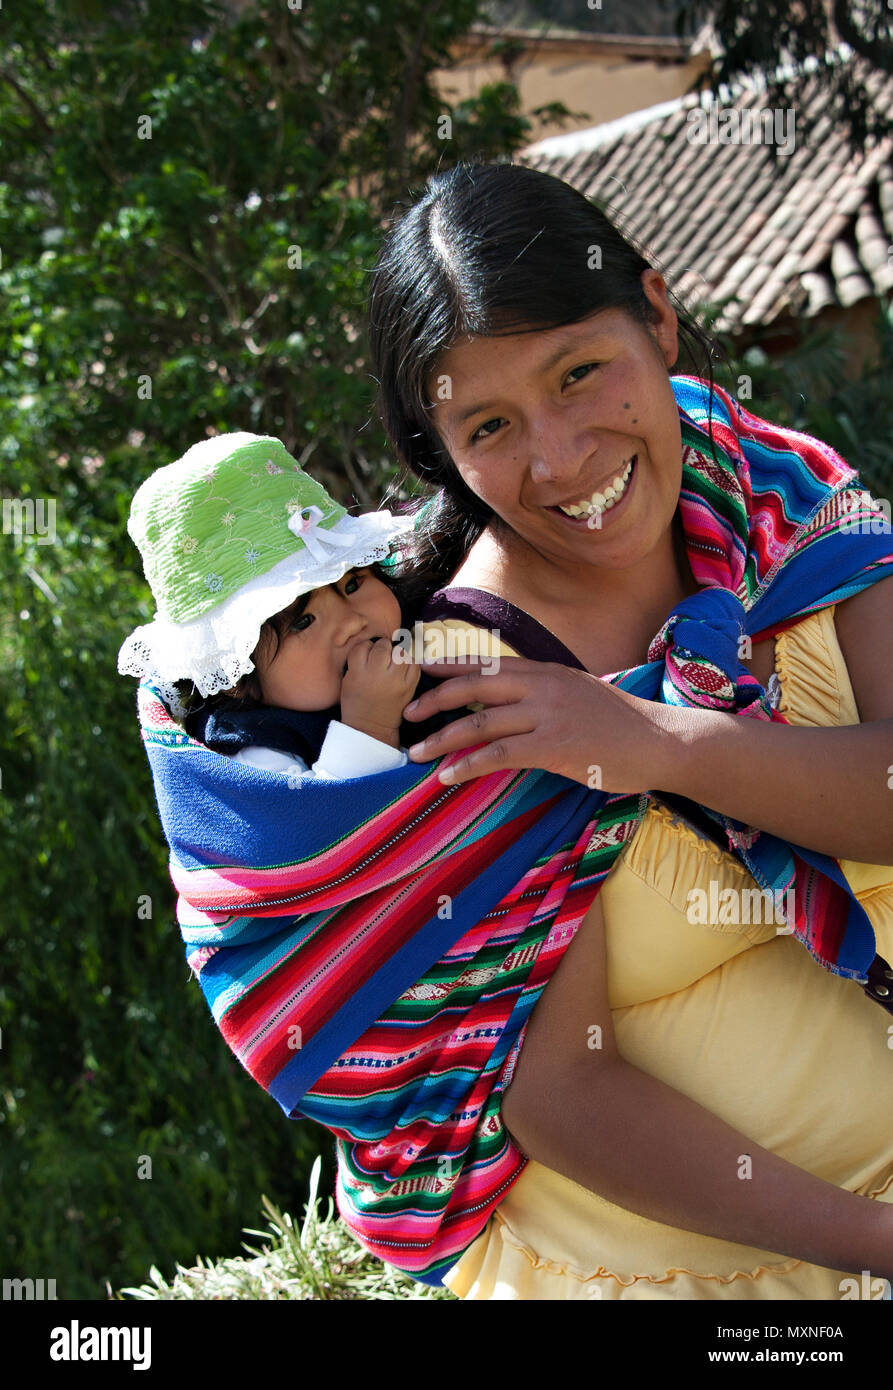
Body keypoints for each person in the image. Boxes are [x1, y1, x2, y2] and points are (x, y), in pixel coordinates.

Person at [364, 158, 893, 1298]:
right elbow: (561, 1096)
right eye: (491, 423)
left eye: (580, 372)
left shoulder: (773, 489)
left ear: (653, 314)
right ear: (436, 452)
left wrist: (649, 739)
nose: (559, 458)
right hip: (718, 1277)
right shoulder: (463, 690)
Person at [117, 431, 421, 780]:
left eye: (352, 583)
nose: (352, 622)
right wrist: (370, 725)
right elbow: (310, 829)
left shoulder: (419, 639)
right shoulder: (256, 750)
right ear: (237, 677)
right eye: (303, 621)